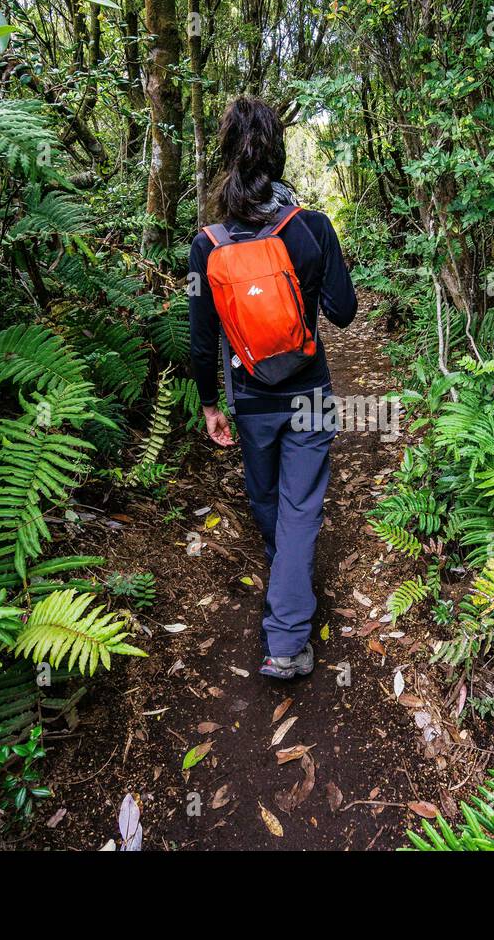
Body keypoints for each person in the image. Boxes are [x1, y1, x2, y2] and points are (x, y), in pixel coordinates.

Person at [187, 96, 357, 679]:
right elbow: (344, 311)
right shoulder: (310, 227)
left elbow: (200, 336)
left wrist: (209, 404)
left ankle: (284, 620)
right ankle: (288, 630)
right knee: (299, 507)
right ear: (279, 152)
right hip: (308, 390)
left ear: (227, 156)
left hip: (249, 398)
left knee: (266, 499)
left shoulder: (207, 244)